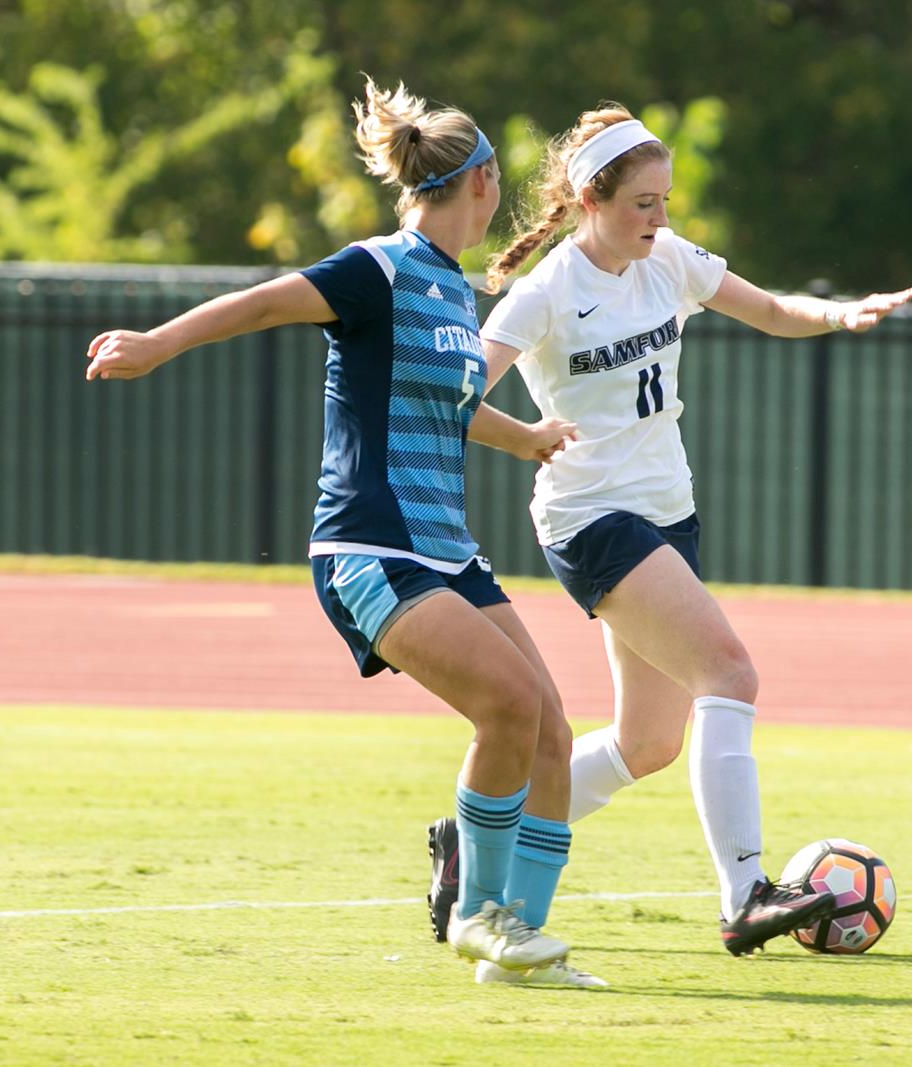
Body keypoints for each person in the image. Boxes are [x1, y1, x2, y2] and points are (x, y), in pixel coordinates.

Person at [85, 79, 606, 988]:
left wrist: (521, 436)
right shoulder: (380, 266)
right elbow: (259, 304)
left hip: (446, 549)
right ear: (480, 181)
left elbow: (450, 404)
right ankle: (479, 916)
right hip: (371, 547)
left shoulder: (452, 290)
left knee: (554, 734)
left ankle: (518, 945)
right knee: (508, 708)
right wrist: (155, 343)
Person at [424, 103, 912, 956]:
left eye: (663, 199)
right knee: (730, 671)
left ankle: (471, 841)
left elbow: (766, 308)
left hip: (666, 511)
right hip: (593, 519)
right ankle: (747, 895)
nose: (659, 216)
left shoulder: (670, 260)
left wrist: (839, 315)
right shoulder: (546, 294)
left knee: (648, 741)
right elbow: (456, 393)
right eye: (643, 202)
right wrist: (524, 438)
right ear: (591, 198)